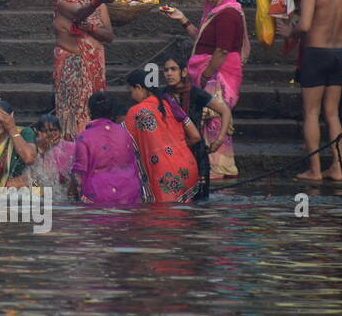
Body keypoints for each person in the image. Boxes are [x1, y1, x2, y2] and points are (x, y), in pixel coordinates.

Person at [165, 0, 249, 180]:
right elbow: (202, 40)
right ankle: (221, 166)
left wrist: (206, 75)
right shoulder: (218, 13)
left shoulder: (228, 15)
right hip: (212, 70)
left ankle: (219, 167)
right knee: (211, 119)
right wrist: (182, 19)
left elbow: (221, 50)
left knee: (215, 119)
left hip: (218, 72)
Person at [295, 0, 342, 181]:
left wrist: (290, 30)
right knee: (333, 113)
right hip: (338, 53)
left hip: (316, 53)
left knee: (311, 112)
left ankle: (315, 170)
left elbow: (305, 25)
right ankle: (337, 169)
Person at [53, 0, 114, 138]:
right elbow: (78, 14)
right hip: (73, 62)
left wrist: (92, 29)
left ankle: (96, 142)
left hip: (95, 63)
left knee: (94, 105)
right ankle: (73, 148)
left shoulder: (97, 2)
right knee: (73, 108)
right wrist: (97, 1)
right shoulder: (63, 0)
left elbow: (109, 36)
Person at [161, 55, 232, 199]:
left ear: (184, 72)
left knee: (200, 201)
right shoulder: (162, 95)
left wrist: (219, 140)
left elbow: (225, 111)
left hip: (196, 153)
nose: (169, 73)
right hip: (172, 154)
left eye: (173, 69)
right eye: (166, 70)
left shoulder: (195, 93)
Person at [125, 69, 201, 202]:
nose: (131, 97)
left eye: (130, 92)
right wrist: (175, 148)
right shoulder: (169, 104)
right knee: (185, 219)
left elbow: (126, 147)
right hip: (187, 168)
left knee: (164, 219)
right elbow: (195, 136)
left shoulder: (135, 111)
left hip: (165, 175)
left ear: (138, 87)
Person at [71, 91, 144, 204]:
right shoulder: (124, 133)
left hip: (98, 195)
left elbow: (79, 173)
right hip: (129, 194)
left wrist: (77, 196)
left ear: (90, 111)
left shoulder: (84, 137)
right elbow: (135, 165)